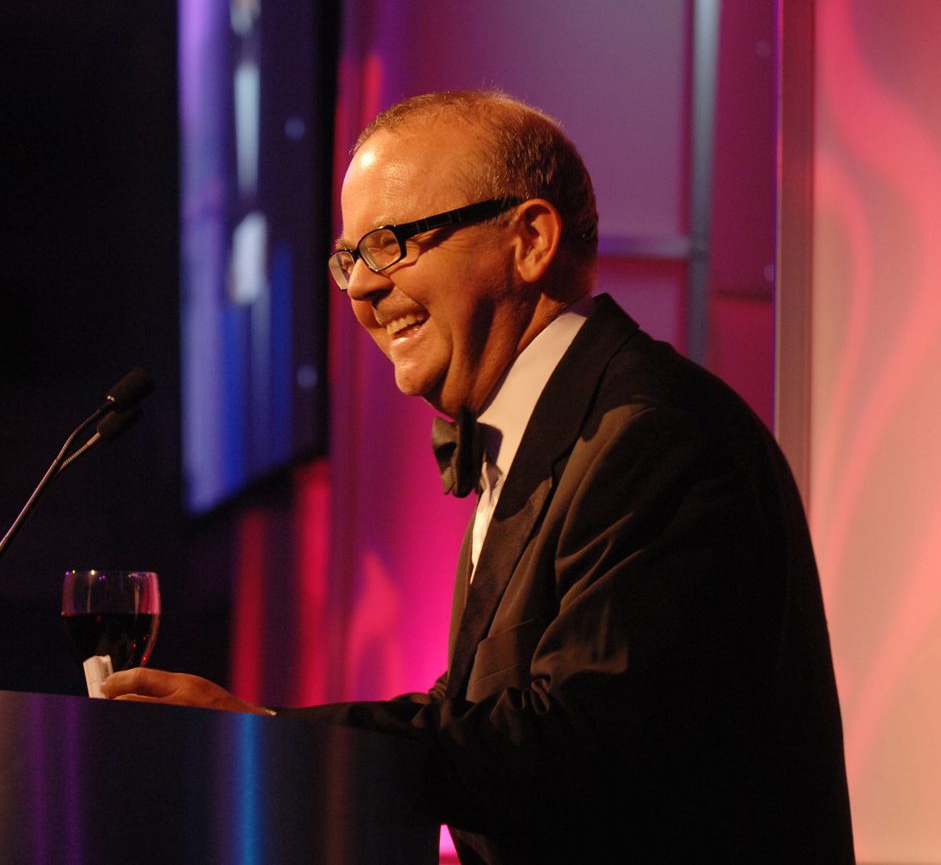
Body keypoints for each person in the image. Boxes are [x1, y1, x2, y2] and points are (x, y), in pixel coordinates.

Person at [104, 91, 855, 862]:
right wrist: (259, 727)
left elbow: (575, 737)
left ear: (528, 240)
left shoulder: (654, 433)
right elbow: (479, 715)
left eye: (389, 243)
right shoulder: (550, 436)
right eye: (347, 258)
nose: (360, 287)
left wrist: (271, 741)